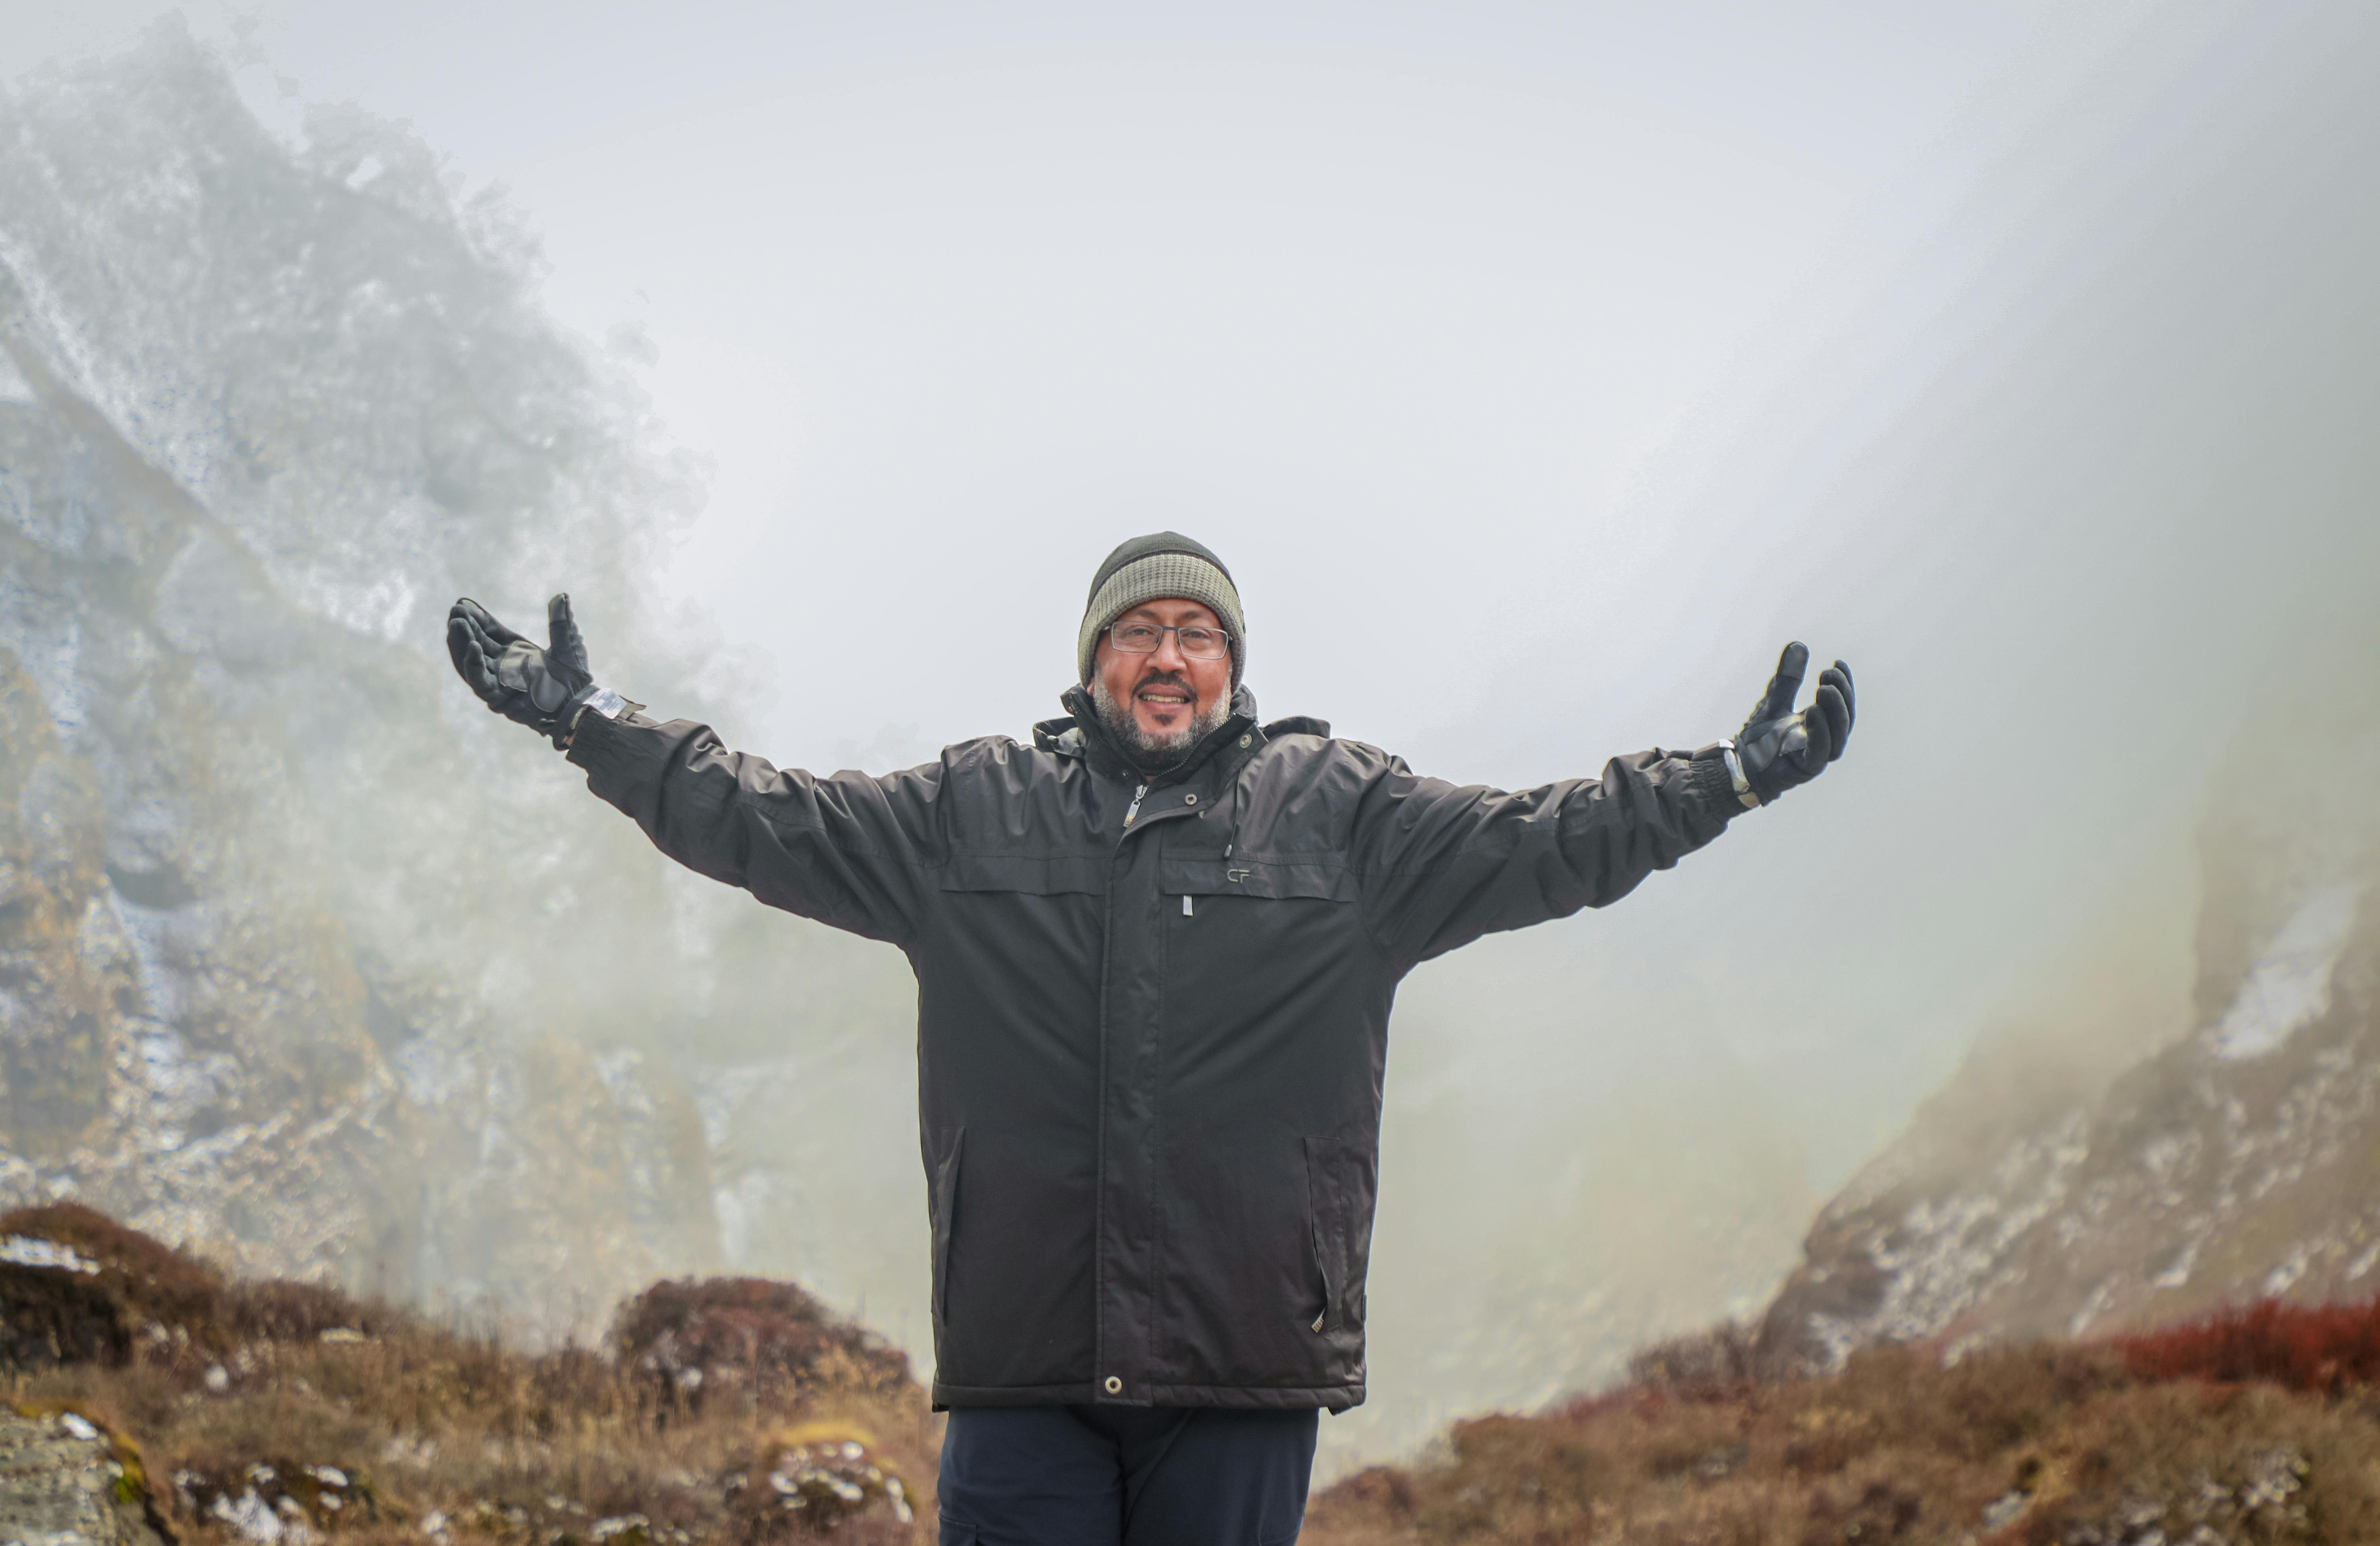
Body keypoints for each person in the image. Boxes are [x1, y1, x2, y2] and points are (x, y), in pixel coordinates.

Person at [446, 532, 1854, 1545]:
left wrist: (1720, 783)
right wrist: (594, 724)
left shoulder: (1348, 820)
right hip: (1025, 1366)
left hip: (1238, 1366)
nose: (1166, 656)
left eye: (1196, 635)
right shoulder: (967, 814)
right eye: (1137, 633)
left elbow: (1554, 839)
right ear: (1094, 666)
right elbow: (766, 815)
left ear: (1232, 669)